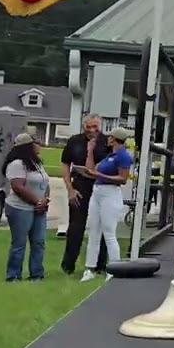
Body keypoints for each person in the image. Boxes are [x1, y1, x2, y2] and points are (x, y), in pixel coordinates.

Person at [76, 126, 133, 282]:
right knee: (94, 231)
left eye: (110, 137)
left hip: (110, 193)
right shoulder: (109, 156)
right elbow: (91, 169)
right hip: (98, 191)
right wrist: (90, 151)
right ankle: (90, 268)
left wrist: (98, 174)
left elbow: (123, 178)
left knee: (109, 232)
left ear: (114, 139)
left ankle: (114, 268)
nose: (108, 139)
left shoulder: (123, 156)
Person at [59, 114, 110, 275]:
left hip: (100, 185)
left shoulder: (107, 142)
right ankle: (68, 265)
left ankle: (100, 265)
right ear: (83, 126)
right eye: (88, 127)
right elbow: (66, 164)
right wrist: (70, 189)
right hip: (80, 184)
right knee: (75, 226)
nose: (91, 131)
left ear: (100, 127)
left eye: (95, 127)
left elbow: (100, 167)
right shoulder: (74, 141)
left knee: (101, 225)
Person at [2, 133, 50, 282]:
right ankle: (13, 275)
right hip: (20, 208)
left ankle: (36, 274)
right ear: (27, 146)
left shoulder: (36, 163)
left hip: (39, 208)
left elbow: (45, 182)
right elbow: (18, 187)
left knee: (39, 242)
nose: (39, 145)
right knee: (19, 243)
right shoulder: (17, 164)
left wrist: (45, 199)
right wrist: (37, 202)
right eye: (36, 143)